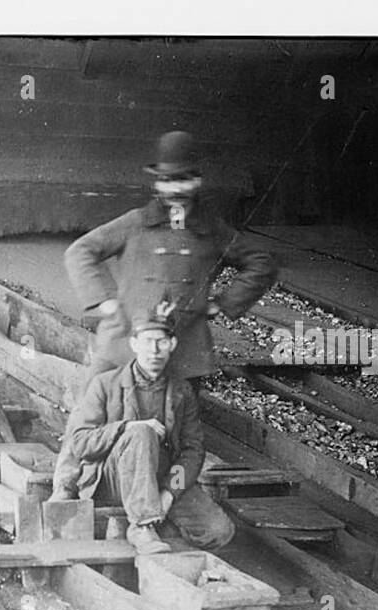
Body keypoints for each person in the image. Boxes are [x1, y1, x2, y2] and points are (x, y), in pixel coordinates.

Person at [65, 130, 278, 380]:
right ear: (157, 184)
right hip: (123, 340)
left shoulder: (212, 230)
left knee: (179, 414)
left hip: (185, 348)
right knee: (95, 405)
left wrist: (223, 303)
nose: (175, 189)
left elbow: (262, 262)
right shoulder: (136, 223)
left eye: (183, 180)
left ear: (197, 181)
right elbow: (80, 251)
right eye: (167, 181)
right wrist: (105, 299)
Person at [51, 311, 235, 556]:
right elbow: (80, 442)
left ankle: (160, 521)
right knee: (141, 433)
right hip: (112, 478)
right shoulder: (105, 384)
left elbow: (192, 452)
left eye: (161, 342)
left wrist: (170, 492)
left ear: (172, 345)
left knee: (218, 530)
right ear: (134, 344)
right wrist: (126, 427)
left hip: (161, 477)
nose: (154, 350)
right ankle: (143, 526)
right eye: (147, 342)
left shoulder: (182, 391)